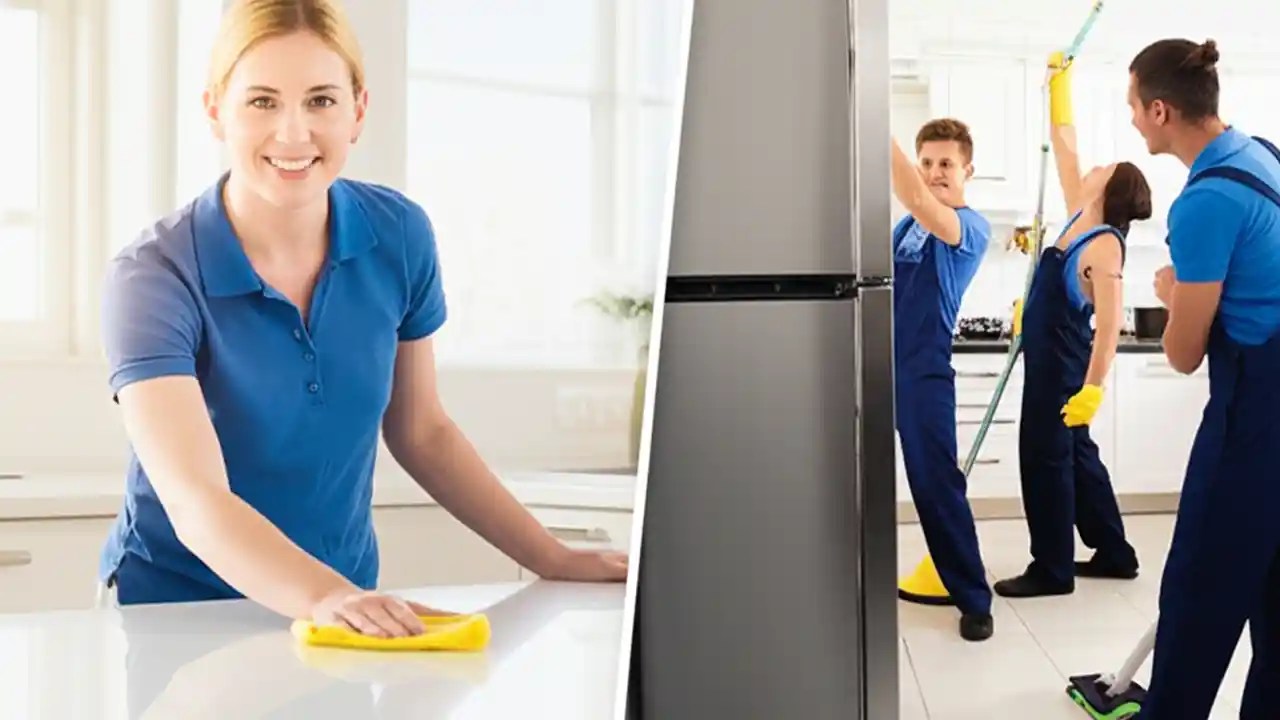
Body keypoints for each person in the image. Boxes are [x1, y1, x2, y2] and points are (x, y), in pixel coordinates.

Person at [96, 0, 627, 638]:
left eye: (321, 100)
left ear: (357, 111)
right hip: (178, 614)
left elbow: (422, 431)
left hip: (345, 605)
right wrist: (326, 598)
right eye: (262, 101)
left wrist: (552, 556)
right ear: (216, 110)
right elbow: (194, 499)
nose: (294, 135)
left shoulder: (397, 235)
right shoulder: (154, 275)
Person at [1125, 38, 1280, 718]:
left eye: (1133, 106)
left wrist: (1172, 285)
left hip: (1253, 425)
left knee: (1196, 601)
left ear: (1160, 110)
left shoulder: (1203, 203)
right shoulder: (1265, 154)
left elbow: (1184, 352)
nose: (1131, 119)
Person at [993, 52, 1148, 599]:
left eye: (1102, 170)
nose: (1091, 169)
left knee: (1045, 459)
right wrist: (1061, 87)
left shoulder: (1104, 244)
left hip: (1064, 373)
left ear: (1112, 191)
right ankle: (1115, 553)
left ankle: (1052, 569)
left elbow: (1108, 327)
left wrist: (1092, 391)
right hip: (1053, 361)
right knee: (1077, 460)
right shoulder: (1079, 218)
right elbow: (1066, 149)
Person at [889, 119, 994, 642]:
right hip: (878, 361)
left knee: (936, 484)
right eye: (926, 163)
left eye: (945, 164)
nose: (934, 174)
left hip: (923, 369)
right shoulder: (906, 229)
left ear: (967, 170)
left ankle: (974, 599)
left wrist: (870, 115)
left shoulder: (969, 226)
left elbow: (915, 198)